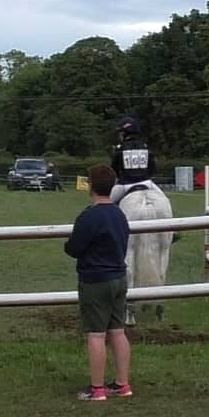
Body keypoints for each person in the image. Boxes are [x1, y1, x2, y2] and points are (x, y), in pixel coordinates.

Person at [63, 164, 133, 401]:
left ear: (91, 186)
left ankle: (97, 389)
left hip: (95, 280)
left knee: (95, 335)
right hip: (119, 278)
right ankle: (122, 385)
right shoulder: (120, 214)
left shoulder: (88, 216)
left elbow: (73, 248)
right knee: (118, 332)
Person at [108, 115, 160, 207]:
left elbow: (114, 169)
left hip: (125, 185)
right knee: (165, 201)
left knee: (104, 204)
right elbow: (152, 168)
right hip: (146, 182)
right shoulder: (145, 147)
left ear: (124, 133)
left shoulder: (120, 149)